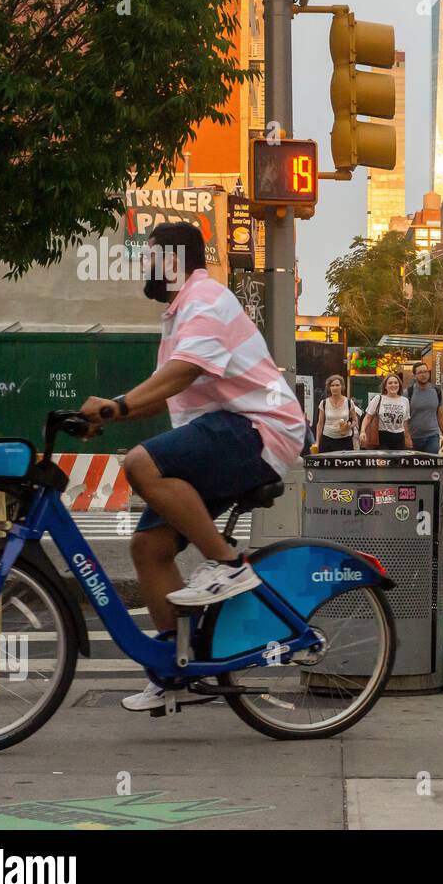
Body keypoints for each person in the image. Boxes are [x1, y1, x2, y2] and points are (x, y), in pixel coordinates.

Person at [76, 222, 307, 713]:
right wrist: (108, 415)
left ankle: (228, 564)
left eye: (152, 255)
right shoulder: (180, 313)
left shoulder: (207, 298)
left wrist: (117, 405)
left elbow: (186, 371)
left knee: (139, 463)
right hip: (224, 433)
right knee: (148, 547)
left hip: (259, 428)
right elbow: (167, 388)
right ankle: (174, 667)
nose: (145, 265)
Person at [360, 373, 412, 450]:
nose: (393, 385)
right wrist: (362, 431)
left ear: (399, 385)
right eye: (390, 383)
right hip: (383, 436)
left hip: (399, 437)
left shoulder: (405, 400)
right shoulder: (378, 398)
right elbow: (368, 417)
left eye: (395, 383)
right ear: (385, 386)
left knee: (398, 461)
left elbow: (405, 422)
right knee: (383, 461)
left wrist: (407, 438)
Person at [405, 361, 443, 454]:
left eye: (425, 372)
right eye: (420, 373)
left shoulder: (436, 392)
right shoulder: (408, 393)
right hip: (413, 438)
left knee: (431, 466)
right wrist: (407, 437)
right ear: (414, 376)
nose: (424, 375)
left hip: (432, 437)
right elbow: (404, 419)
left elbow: (440, 415)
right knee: (414, 466)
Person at [315, 374, 359, 454]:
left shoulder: (349, 402)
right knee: (327, 465)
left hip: (345, 440)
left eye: (337, 385)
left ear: (342, 387)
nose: (335, 388)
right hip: (327, 439)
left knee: (344, 464)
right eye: (332, 385)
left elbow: (355, 420)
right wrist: (317, 442)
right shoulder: (324, 403)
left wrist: (348, 425)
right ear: (329, 387)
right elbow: (320, 423)